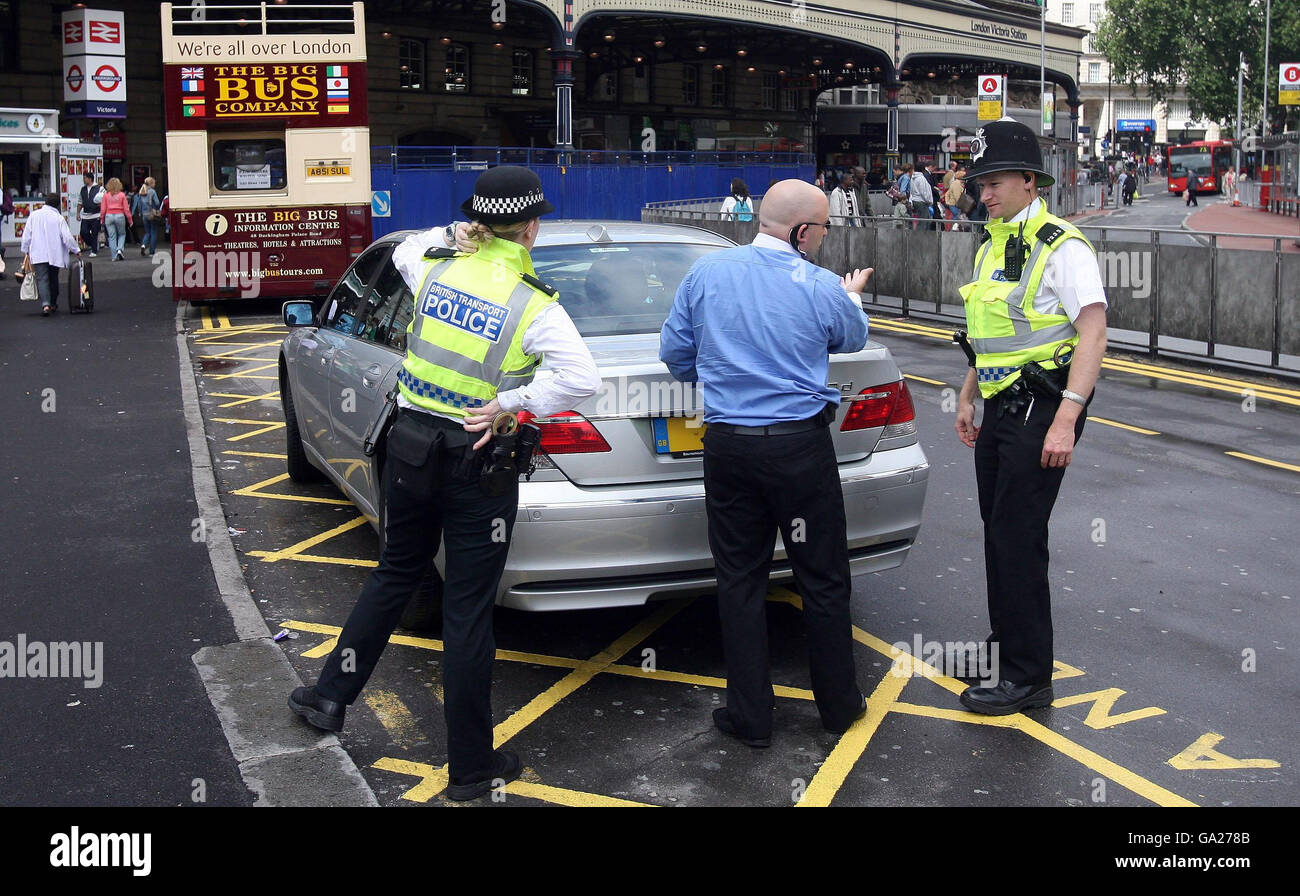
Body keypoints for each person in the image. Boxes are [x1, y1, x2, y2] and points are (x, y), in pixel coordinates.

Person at [289, 166, 600, 800]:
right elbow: (581, 380)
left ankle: (328, 696)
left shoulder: (429, 263)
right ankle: (470, 768)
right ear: (532, 228)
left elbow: (403, 245)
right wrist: (514, 403)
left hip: (408, 447)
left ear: (477, 221)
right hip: (474, 460)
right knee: (467, 608)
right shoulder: (531, 301)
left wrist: (451, 232)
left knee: (394, 572)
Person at [659, 179, 873, 747]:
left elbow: (675, 352)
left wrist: (720, 373)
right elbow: (851, 337)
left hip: (729, 447)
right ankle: (838, 705)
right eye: (824, 229)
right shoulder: (822, 284)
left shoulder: (707, 275)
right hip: (801, 448)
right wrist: (848, 296)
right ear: (803, 230)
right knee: (823, 577)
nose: (826, 239)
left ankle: (750, 718)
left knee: (740, 578)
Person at [952, 118, 1108, 715]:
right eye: (979, 182)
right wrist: (968, 393)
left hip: (1044, 404)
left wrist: (1068, 416)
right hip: (999, 403)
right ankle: (1004, 649)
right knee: (998, 530)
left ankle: (1027, 675)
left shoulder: (1062, 245)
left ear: (1028, 180)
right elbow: (989, 334)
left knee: (1019, 536)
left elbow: (1093, 329)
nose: (984, 192)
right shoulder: (993, 242)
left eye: (994, 181)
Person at [20, 193, 80, 315]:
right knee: (53, 278)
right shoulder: (58, 217)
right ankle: (53, 303)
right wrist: (76, 250)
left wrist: (26, 249)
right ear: (58, 205)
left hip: (38, 253)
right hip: (54, 253)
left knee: (42, 279)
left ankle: (45, 304)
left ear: (45, 202)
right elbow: (67, 237)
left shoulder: (34, 215)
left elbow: (27, 235)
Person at [99, 178, 133, 261]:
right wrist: (130, 220)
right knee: (122, 234)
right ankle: (120, 249)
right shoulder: (122, 195)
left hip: (108, 216)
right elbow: (126, 209)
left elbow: (103, 209)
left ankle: (114, 256)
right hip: (120, 215)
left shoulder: (106, 195)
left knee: (112, 237)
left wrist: (102, 219)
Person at [76, 173, 104, 257]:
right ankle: (93, 244)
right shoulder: (83, 189)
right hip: (85, 215)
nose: (83, 180)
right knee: (83, 232)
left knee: (94, 233)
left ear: (90, 179)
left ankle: (94, 251)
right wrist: (78, 213)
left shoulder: (100, 188)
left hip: (96, 214)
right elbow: (80, 202)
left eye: (85, 178)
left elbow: (104, 199)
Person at [138, 177, 162, 256]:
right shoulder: (152, 191)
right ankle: (151, 252)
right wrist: (157, 209)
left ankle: (143, 244)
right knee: (153, 232)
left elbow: (139, 204)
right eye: (154, 183)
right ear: (151, 183)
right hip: (152, 214)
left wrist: (140, 213)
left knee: (147, 232)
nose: (155, 184)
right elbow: (157, 202)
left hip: (144, 215)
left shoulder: (141, 191)